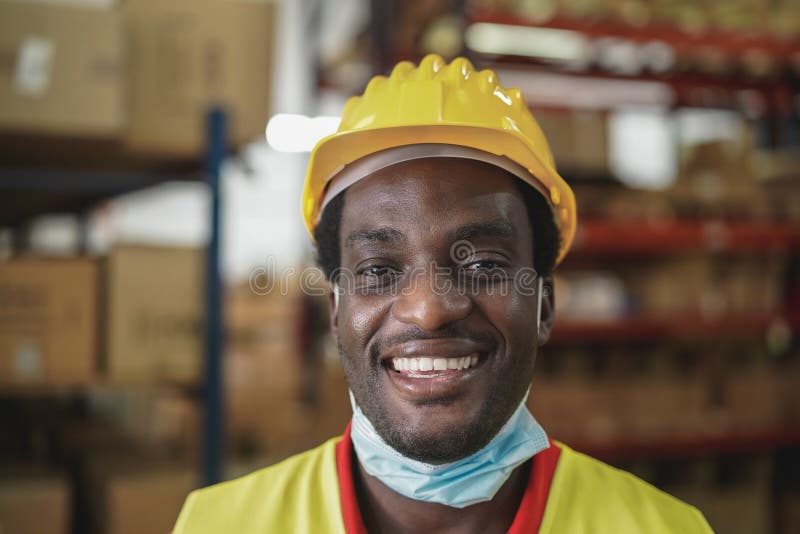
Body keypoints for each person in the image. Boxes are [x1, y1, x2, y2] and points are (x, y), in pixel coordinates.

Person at [173, 54, 713, 533]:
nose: (428, 311)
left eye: (481, 263)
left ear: (544, 304)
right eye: (380, 270)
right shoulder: (217, 525)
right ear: (336, 311)